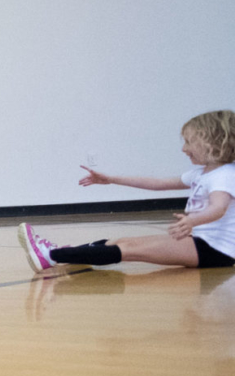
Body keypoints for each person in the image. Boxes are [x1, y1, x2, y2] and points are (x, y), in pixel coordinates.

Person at [20, 110, 235, 271]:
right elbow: (157, 183)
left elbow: (219, 208)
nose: (184, 149)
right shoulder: (203, 173)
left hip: (215, 250)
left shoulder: (224, 175)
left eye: (189, 142)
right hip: (201, 242)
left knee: (131, 250)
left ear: (213, 143)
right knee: (121, 242)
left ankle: (52, 255)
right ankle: (60, 253)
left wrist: (192, 221)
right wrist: (111, 179)